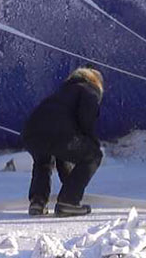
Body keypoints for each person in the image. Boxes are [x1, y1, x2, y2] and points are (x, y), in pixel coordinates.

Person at [21, 67, 105, 217]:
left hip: (32, 132)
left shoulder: (62, 93)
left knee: (43, 162)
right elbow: (87, 118)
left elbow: (63, 157)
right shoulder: (89, 89)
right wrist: (92, 142)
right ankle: (69, 202)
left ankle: (37, 202)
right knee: (93, 156)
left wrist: (69, 182)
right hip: (58, 132)